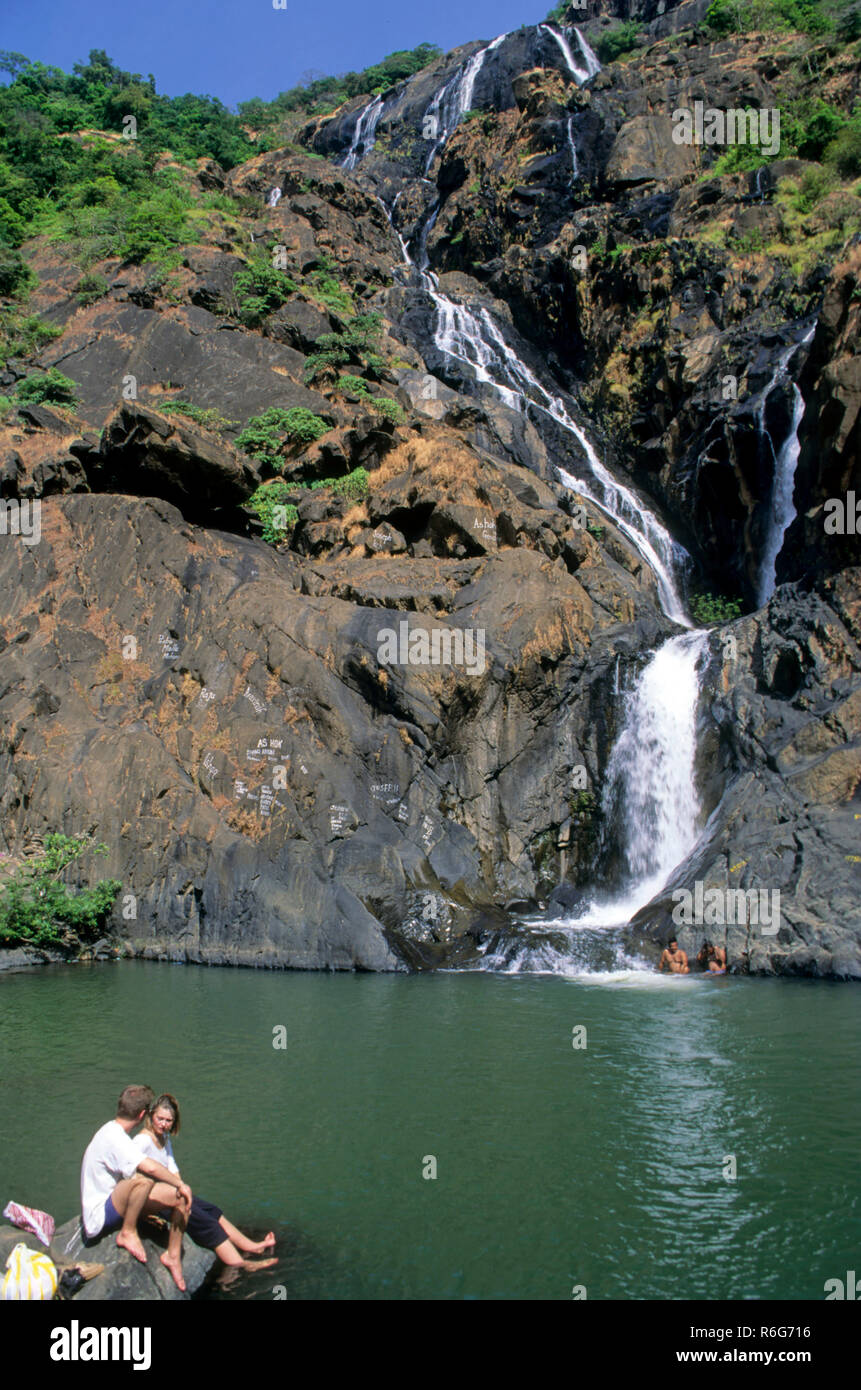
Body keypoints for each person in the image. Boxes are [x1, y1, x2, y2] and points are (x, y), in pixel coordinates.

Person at [133, 1094, 276, 1276]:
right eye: (160, 1119)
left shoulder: (164, 1138)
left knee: (211, 1211)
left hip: (169, 1191)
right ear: (151, 1116)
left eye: (169, 1120)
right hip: (152, 1197)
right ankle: (240, 1263)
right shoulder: (142, 1140)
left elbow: (172, 1167)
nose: (164, 1124)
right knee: (206, 1223)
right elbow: (129, 1170)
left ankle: (252, 1246)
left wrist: (182, 1188)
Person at [80, 1084, 193, 1289]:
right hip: (100, 1214)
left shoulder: (111, 1130)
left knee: (180, 1198)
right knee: (144, 1179)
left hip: (115, 1200)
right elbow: (148, 1168)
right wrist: (180, 1183)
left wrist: (179, 1188)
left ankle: (173, 1256)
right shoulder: (115, 1138)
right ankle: (128, 1232)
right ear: (143, 1114)